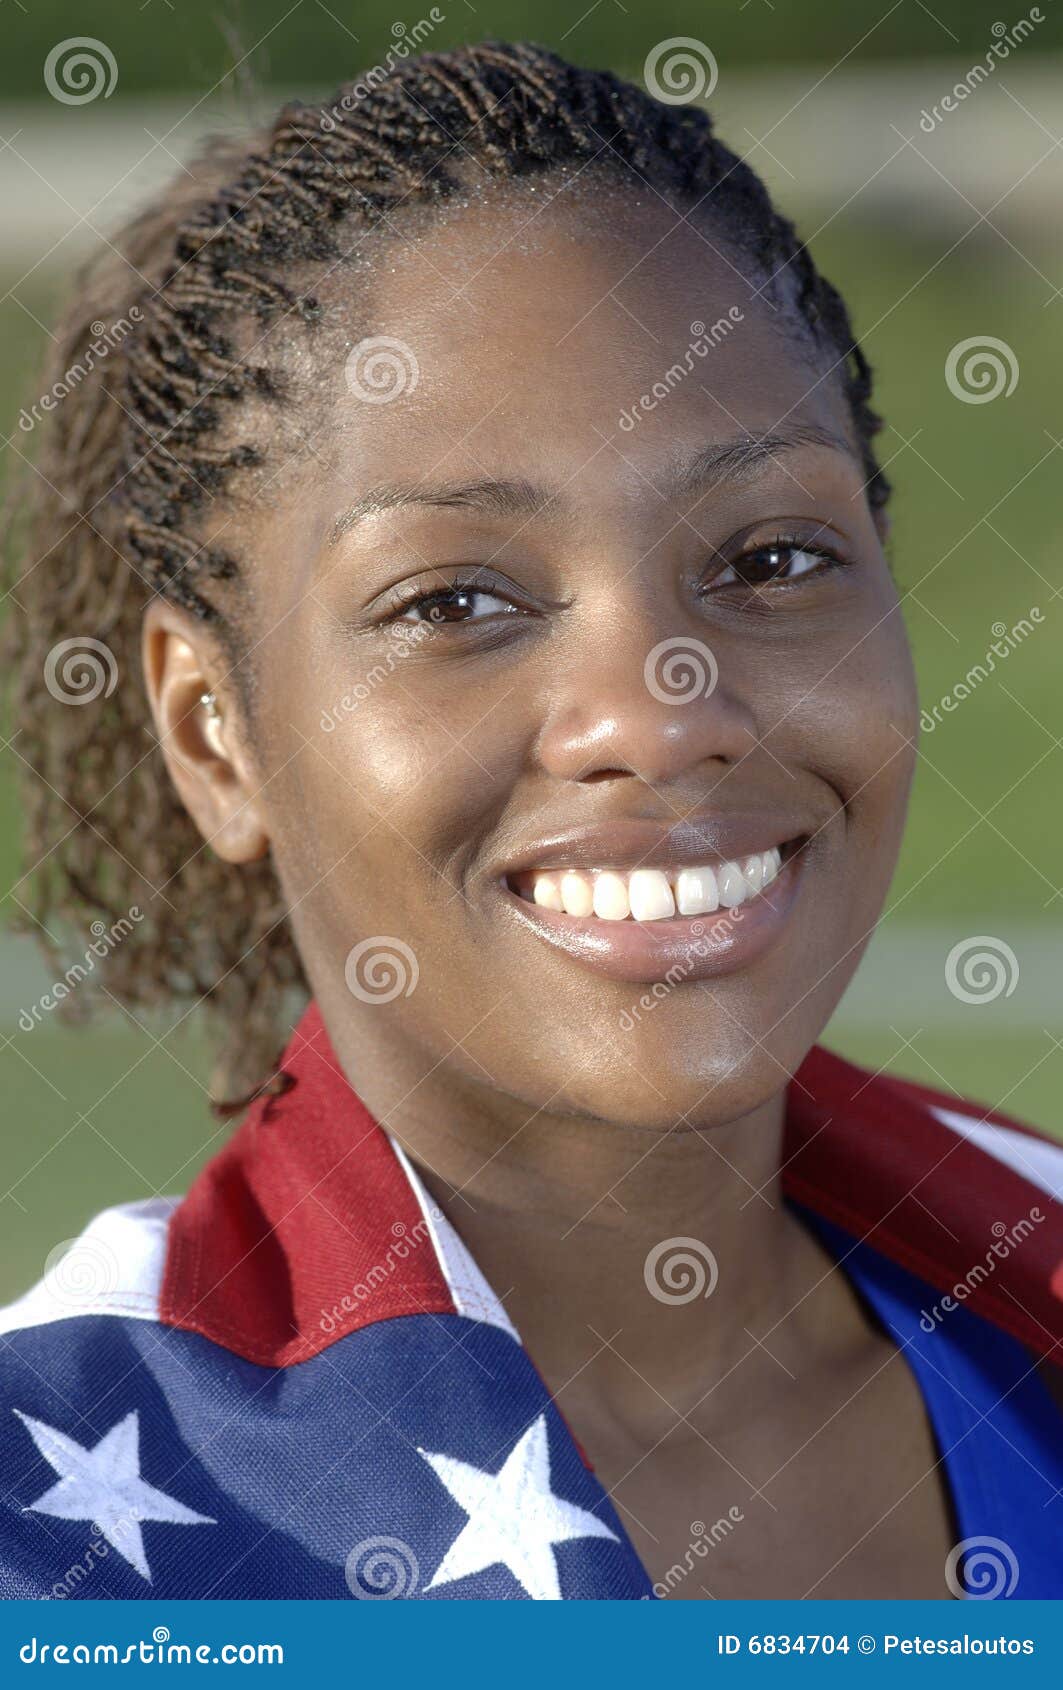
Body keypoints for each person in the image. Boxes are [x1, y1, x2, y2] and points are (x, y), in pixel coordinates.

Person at [2, 42, 1060, 1602]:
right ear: (211, 731)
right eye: (458, 599)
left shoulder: (1021, 1274)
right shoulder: (62, 1537)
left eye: (770, 558)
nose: (661, 706)